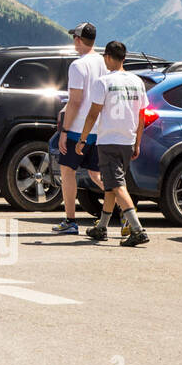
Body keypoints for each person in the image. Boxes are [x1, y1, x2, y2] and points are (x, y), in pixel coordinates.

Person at [77, 40, 150, 247]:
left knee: (117, 185)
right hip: (127, 140)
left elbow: (93, 114)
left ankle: (137, 229)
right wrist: (137, 142)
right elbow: (142, 115)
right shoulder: (137, 81)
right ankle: (102, 227)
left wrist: (83, 139)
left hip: (108, 140)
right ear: (124, 58)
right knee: (110, 185)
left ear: (108, 57)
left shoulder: (103, 82)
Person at [52, 23, 107, 235]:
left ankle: (70, 220)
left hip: (77, 128)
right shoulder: (103, 62)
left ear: (77, 39)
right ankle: (126, 209)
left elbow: (75, 101)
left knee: (68, 172)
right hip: (99, 127)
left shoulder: (77, 65)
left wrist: (64, 131)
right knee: (96, 174)